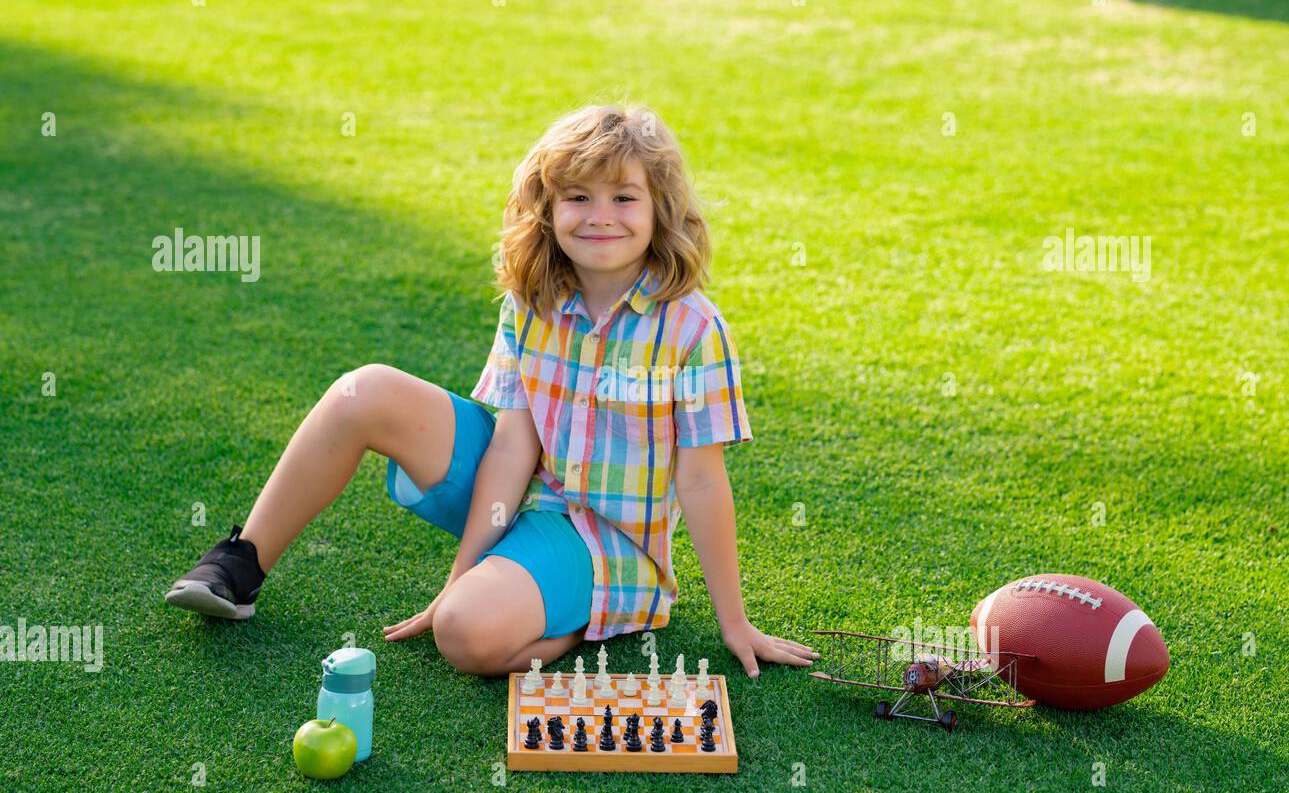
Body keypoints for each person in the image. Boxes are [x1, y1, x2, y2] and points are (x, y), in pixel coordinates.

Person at [165, 103, 819, 678]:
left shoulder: (692, 327)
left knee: (463, 634)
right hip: (523, 490)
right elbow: (512, 444)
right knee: (363, 392)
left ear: (660, 211)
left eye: (624, 198)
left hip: (603, 538)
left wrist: (734, 624)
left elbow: (702, 482)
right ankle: (240, 565)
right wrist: (462, 576)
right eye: (578, 198)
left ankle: (580, 616)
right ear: (549, 207)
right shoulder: (535, 299)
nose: (600, 218)